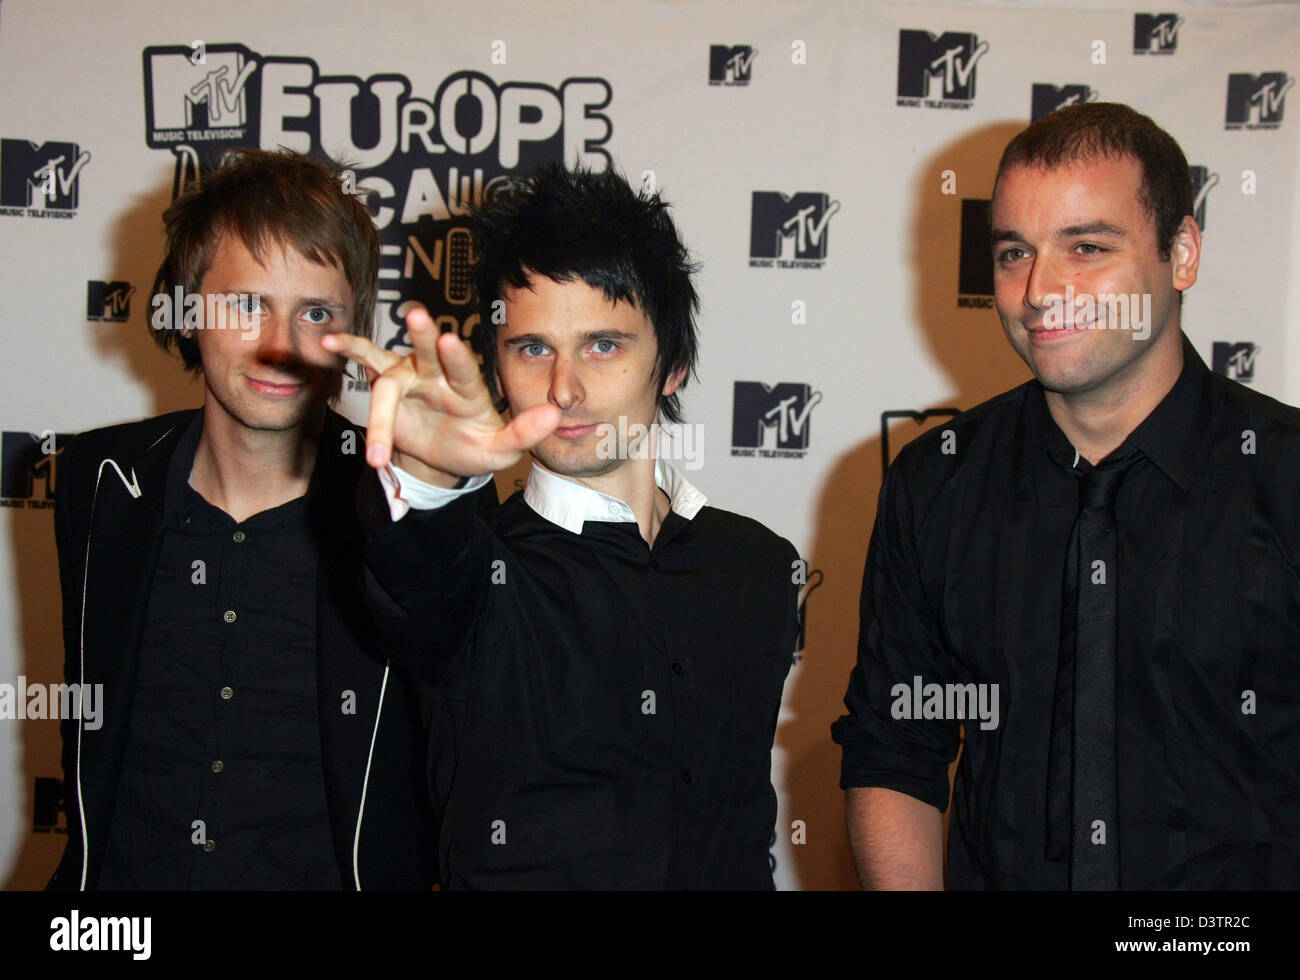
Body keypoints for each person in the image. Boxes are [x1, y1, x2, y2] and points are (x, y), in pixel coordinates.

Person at [832, 102, 1300, 889]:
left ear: (1180, 253)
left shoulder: (1284, 478)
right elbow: (898, 748)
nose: (1041, 290)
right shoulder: (936, 481)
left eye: (1087, 247)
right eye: (1015, 252)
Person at [323, 163, 800, 889]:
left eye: (604, 346)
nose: (564, 389)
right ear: (497, 364)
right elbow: (416, 577)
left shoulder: (758, 567)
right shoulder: (479, 575)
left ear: (672, 364)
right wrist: (428, 479)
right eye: (533, 348)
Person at [50, 148, 437, 891]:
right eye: (245, 304)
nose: (279, 345)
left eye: (315, 312)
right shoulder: (100, 482)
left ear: (355, 327)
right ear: (188, 306)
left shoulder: (405, 505)